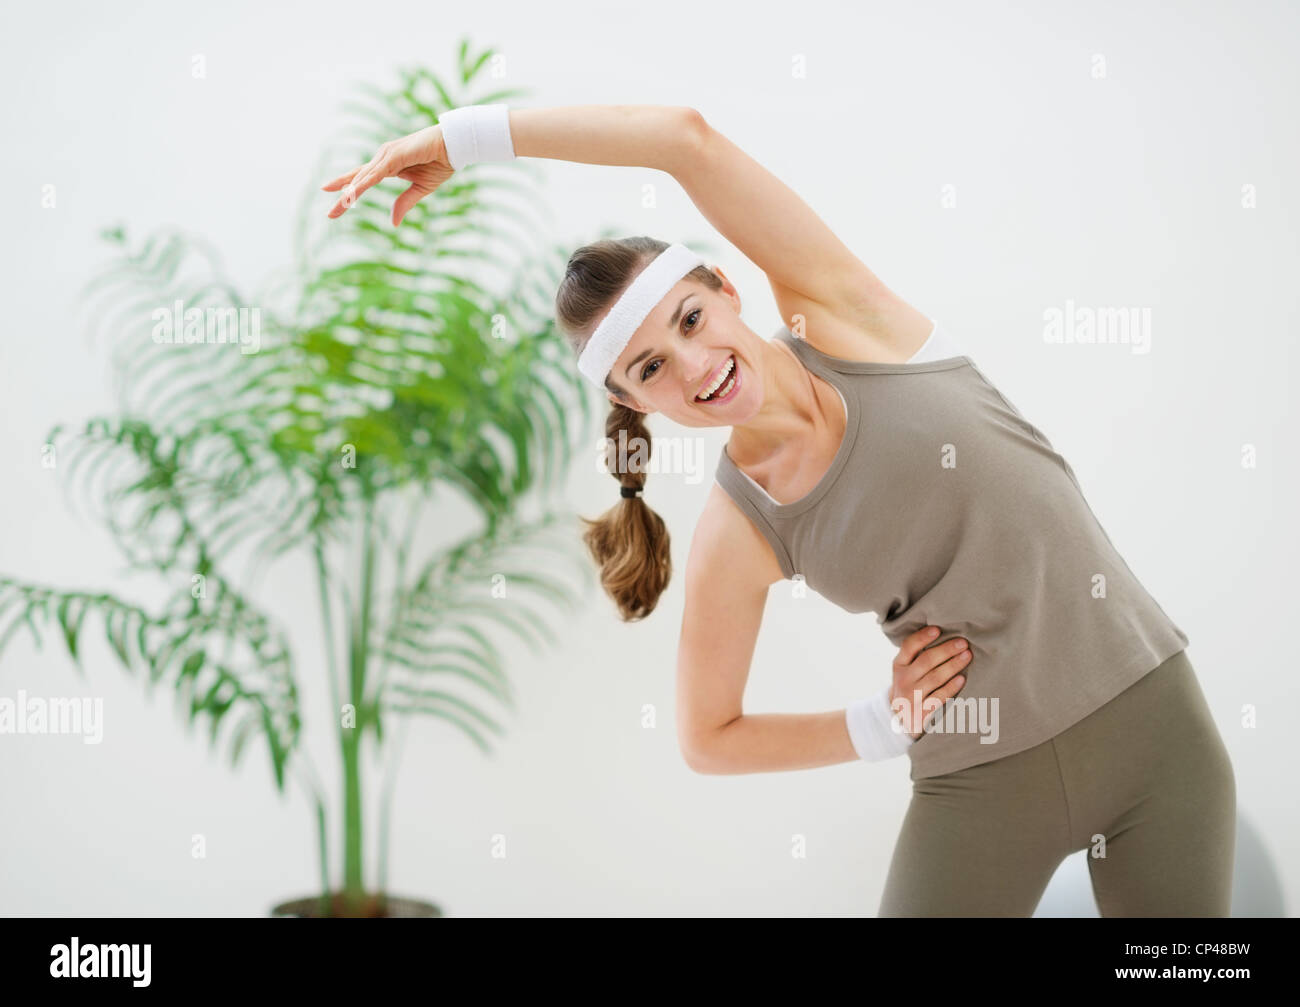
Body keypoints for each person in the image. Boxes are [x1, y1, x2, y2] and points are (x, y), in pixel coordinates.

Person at [321, 103, 1236, 917]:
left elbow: (684, 139)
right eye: (649, 370)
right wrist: (876, 723)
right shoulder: (739, 526)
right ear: (639, 405)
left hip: (1151, 727)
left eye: (687, 320)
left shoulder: (847, 314)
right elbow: (705, 737)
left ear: (724, 288)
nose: (694, 366)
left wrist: (464, 137)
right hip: (980, 778)